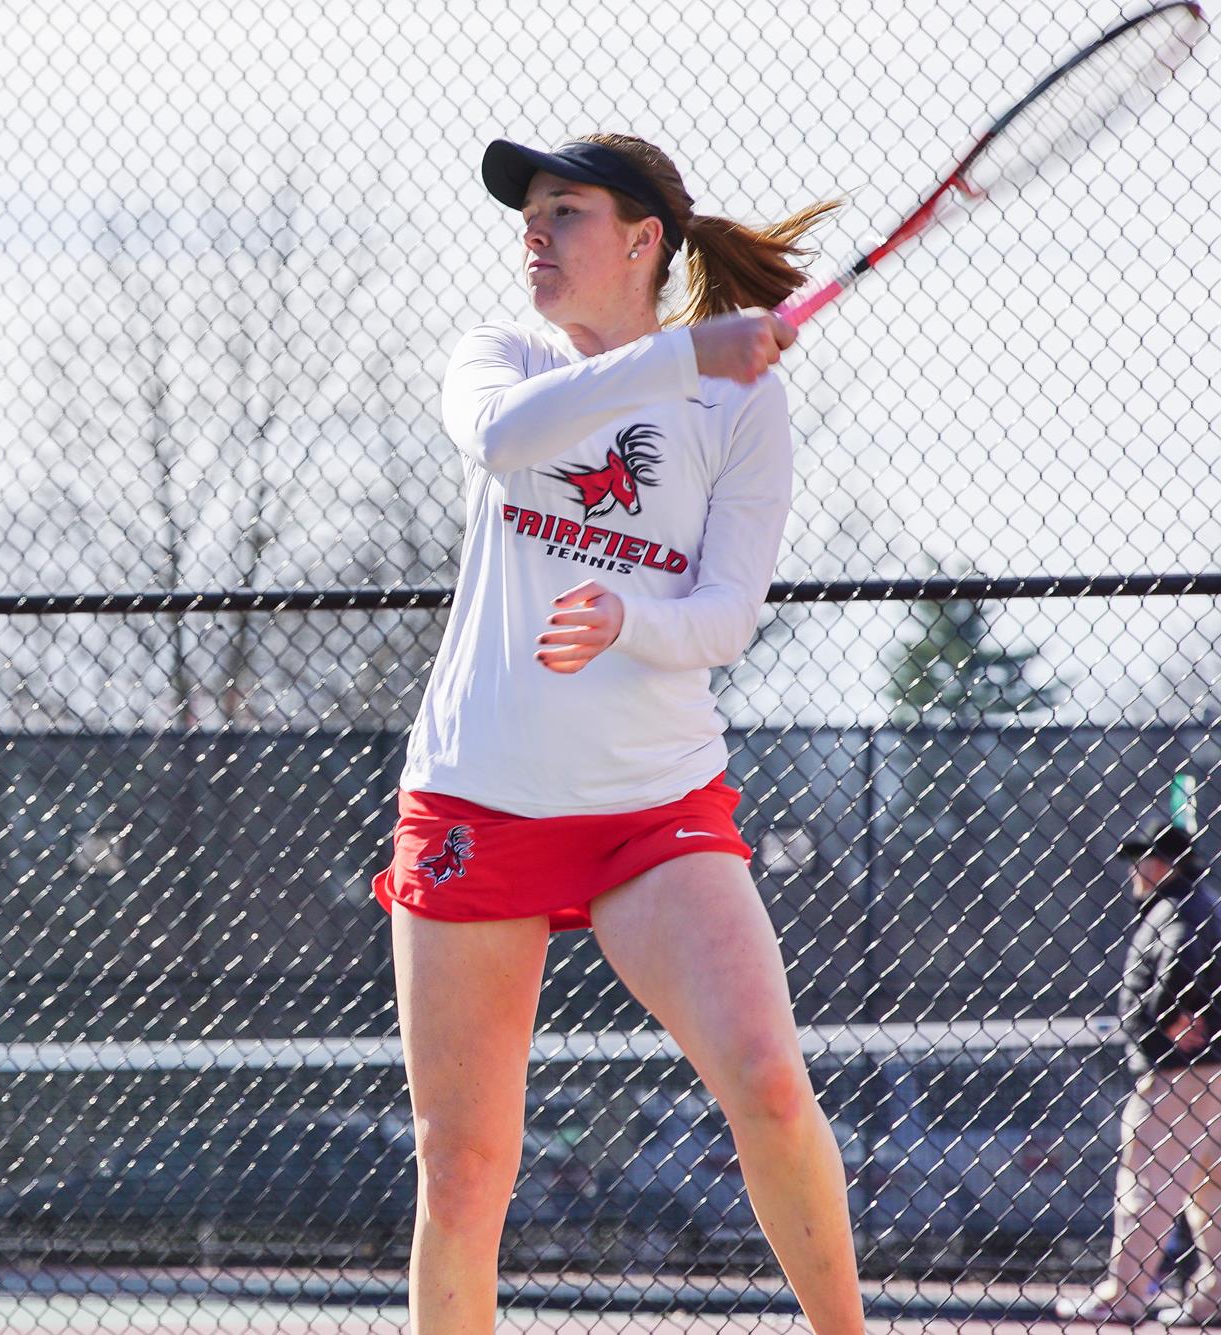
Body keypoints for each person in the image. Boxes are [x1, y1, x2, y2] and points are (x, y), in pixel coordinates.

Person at [369, 133, 862, 1333]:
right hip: (478, 801)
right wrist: (680, 353)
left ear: (642, 239)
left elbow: (725, 617)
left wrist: (626, 616)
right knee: (467, 1164)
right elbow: (505, 439)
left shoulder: (740, 398)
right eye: (528, 213)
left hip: (654, 813)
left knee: (768, 1084)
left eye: (564, 211)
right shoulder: (500, 358)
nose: (532, 233)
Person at [1061, 819, 1221, 1325]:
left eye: (1140, 860)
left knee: (1147, 1180)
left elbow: (1181, 962)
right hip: (1211, 1068)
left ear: (1160, 864)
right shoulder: (1206, 901)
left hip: (1181, 1073)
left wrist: (1175, 1012)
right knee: (1211, 1188)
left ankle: (1124, 1295)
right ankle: (1212, 1297)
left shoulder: (1176, 908)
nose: (1134, 871)